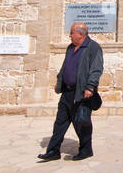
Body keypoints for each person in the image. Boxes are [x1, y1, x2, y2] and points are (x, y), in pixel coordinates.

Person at [39, 22, 102, 162]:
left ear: (81, 34)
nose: (69, 35)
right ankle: (53, 151)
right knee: (60, 122)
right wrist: (59, 82)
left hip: (81, 92)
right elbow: (65, 66)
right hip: (67, 92)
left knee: (81, 122)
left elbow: (96, 69)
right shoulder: (70, 48)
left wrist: (90, 87)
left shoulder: (93, 48)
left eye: (72, 32)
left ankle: (86, 150)